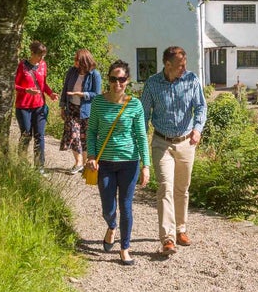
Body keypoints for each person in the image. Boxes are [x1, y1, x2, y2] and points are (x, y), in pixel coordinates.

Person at [139, 46, 207, 254]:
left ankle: (180, 229)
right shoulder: (152, 84)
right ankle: (167, 238)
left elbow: (201, 106)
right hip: (162, 143)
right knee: (165, 187)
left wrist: (197, 129)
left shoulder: (191, 80)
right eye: (180, 66)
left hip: (186, 142)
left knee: (182, 188)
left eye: (185, 65)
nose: (184, 69)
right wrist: (140, 144)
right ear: (167, 65)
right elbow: (143, 115)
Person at [85, 60, 149, 265]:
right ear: (108, 80)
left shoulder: (135, 104)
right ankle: (111, 226)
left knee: (126, 205)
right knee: (108, 207)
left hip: (129, 161)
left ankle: (125, 248)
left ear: (127, 80)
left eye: (121, 79)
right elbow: (92, 132)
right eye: (113, 79)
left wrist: (146, 166)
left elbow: (141, 136)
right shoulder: (98, 102)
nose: (117, 84)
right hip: (104, 162)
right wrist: (91, 156)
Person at [15, 40, 58, 174]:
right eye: (39, 55)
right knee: (26, 135)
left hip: (39, 106)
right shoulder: (22, 66)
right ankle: (22, 164)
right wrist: (25, 90)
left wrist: (50, 93)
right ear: (32, 53)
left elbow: (43, 84)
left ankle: (39, 166)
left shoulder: (43, 65)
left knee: (40, 136)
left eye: (43, 55)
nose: (41, 58)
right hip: (23, 106)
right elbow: (14, 84)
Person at [60, 49, 102, 173]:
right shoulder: (72, 71)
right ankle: (78, 163)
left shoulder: (94, 74)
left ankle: (85, 164)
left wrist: (83, 94)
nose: (75, 62)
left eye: (77, 59)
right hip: (72, 108)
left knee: (86, 138)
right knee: (73, 134)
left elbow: (97, 94)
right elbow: (65, 89)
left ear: (84, 61)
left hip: (87, 111)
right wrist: (62, 107)